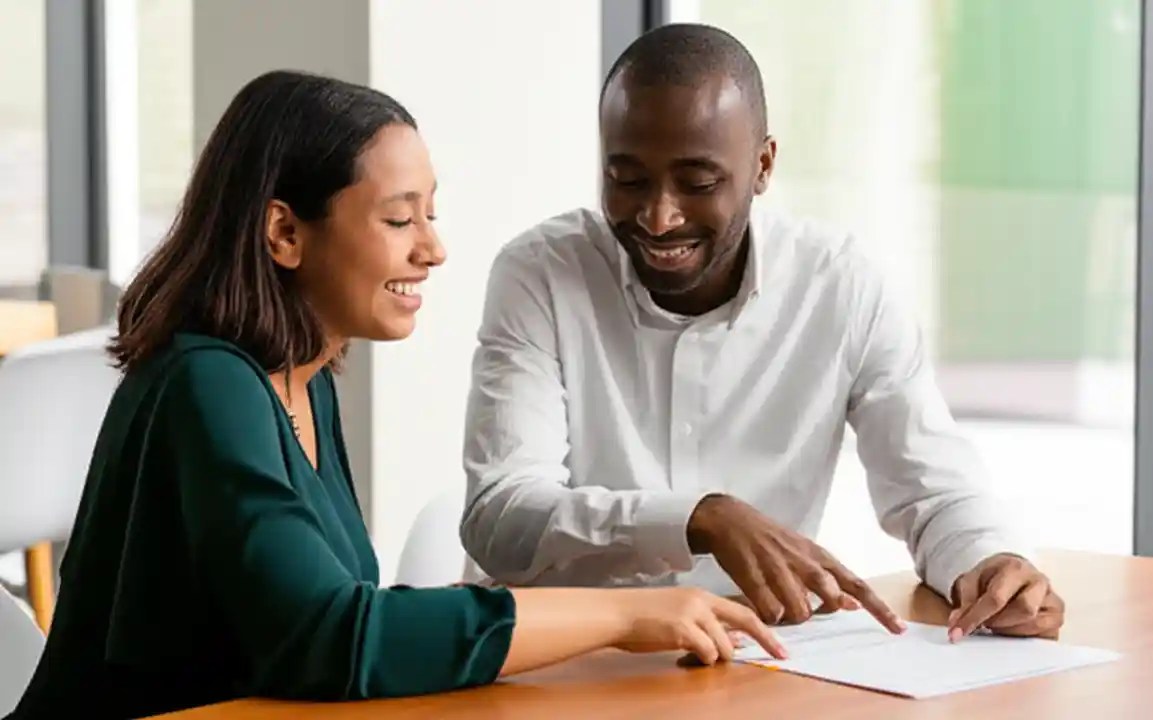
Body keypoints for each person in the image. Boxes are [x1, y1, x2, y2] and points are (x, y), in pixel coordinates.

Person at [8, 70, 783, 720]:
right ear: (284, 233)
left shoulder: (301, 381)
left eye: (431, 213)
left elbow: (321, 611)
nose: (433, 247)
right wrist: (624, 615)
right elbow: (327, 638)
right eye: (398, 217)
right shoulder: (208, 385)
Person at [461, 23, 1065, 642]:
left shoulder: (842, 288)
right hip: (562, 664)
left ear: (763, 166)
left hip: (751, 664)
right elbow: (500, 517)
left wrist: (989, 561)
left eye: (697, 184)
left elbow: (933, 493)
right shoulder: (539, 274)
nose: (659, 216)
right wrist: (697, 519)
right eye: (628, 179)